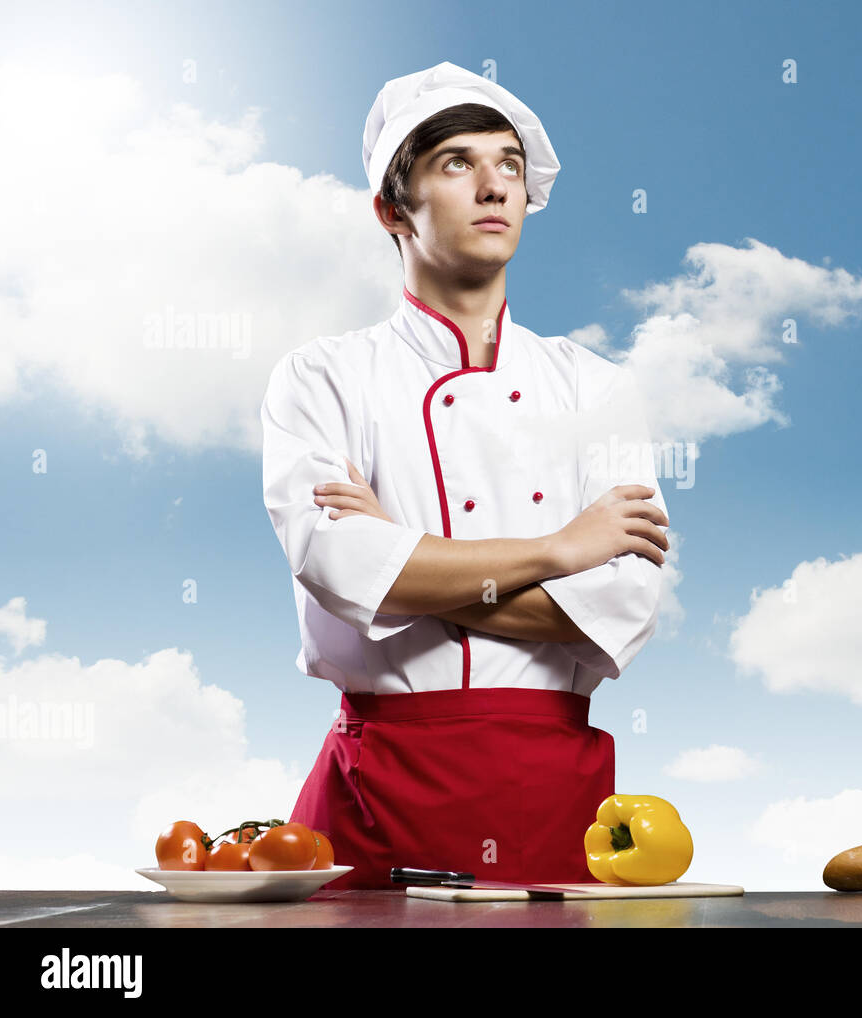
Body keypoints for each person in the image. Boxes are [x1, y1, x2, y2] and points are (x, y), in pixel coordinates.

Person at [259, 62, 670, 890]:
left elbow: (622, 605)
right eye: (457, 163)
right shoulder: (321, 377)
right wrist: (559, 551)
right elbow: (337, 567)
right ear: (392, 210)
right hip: (375, 794)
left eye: (509, 164)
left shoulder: (596, 388)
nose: (494, 186)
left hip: (553, 795)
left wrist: (402, 559)